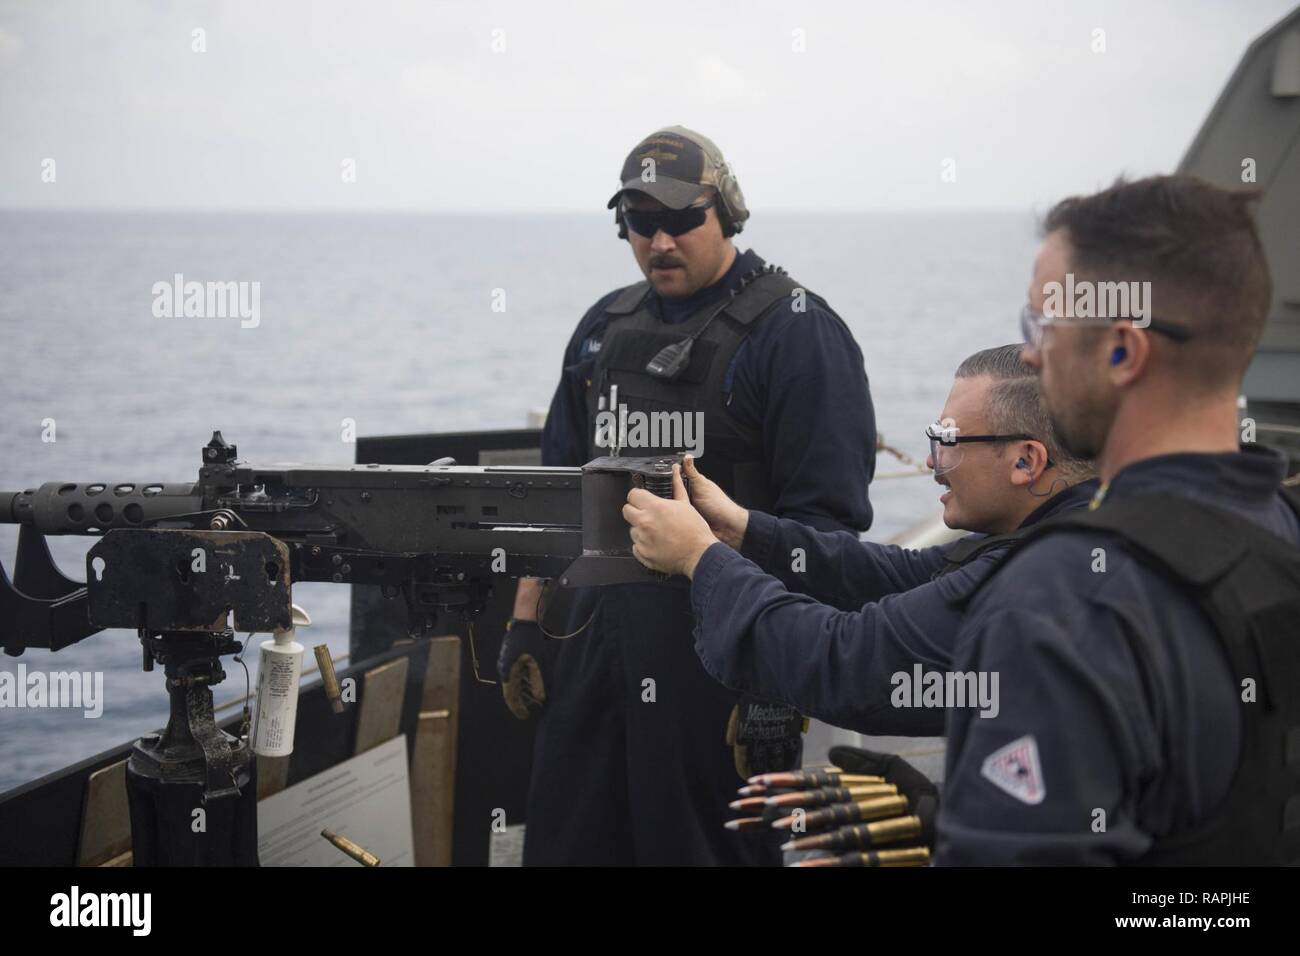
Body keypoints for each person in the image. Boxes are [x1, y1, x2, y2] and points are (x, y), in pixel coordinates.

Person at [500, 125, 877, 865]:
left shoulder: (796, 335)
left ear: (726, 213)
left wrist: (777, 684)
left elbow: (827, 532)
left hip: (722, 664)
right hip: (592, 649)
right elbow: (553, 493)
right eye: (641, 223)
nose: (660, 241)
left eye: (680, 220)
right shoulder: (602, 330)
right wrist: (524, 623)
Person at [937, 175, 1300, 864]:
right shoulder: (1282, 530)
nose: (1029, 353)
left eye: (1043, 324)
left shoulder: (1063, 603)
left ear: (1122, 351)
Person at [623, 343, 1096, 736]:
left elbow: (844, 664)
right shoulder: (1076, 529)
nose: (932, 462)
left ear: (1025, 461)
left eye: (947, 441)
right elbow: (903, 574)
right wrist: (742, 530)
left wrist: (699, 558)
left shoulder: (1034, 582)